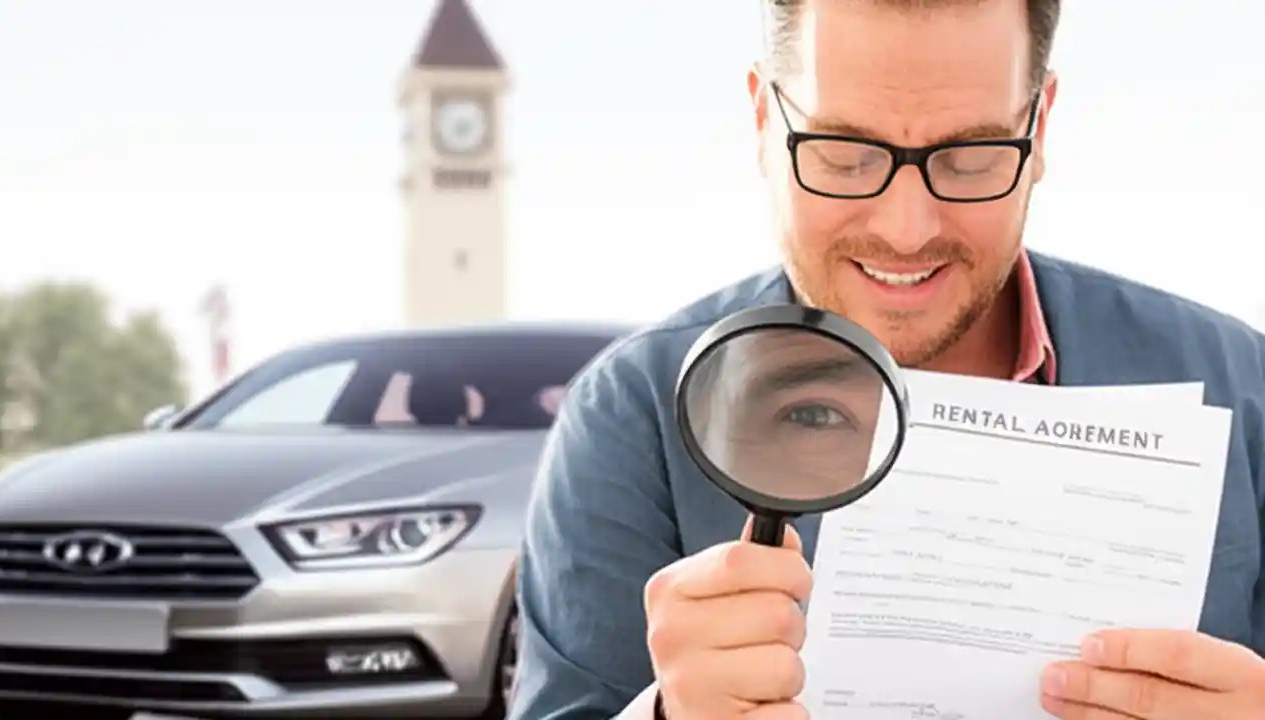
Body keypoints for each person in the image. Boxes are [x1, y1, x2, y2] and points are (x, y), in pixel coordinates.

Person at [510, 0, 1265, 718]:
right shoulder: (631, 411)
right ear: (764, 119)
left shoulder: (1243, 383)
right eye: (843, 155)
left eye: (971, 157)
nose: (907, 230)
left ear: (1040, 128)